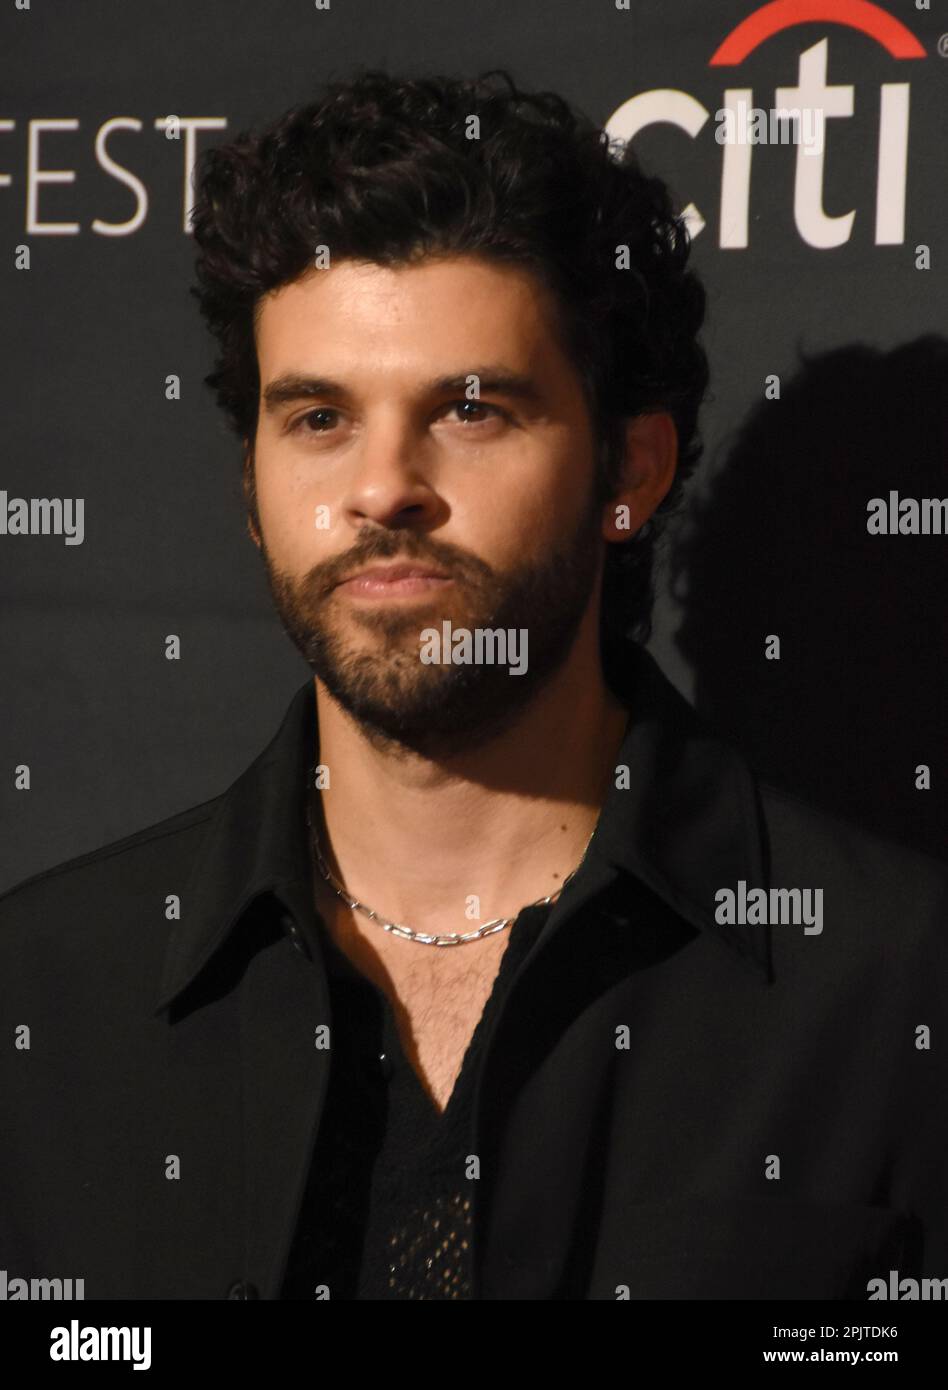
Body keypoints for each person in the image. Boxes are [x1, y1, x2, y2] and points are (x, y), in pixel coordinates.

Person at [1, 68, 945, 1302]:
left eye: (472, 409)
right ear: (252, 485)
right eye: (319, 418)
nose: (385, 484)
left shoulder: (895, 994)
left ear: (631, 472)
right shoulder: (46, 996)